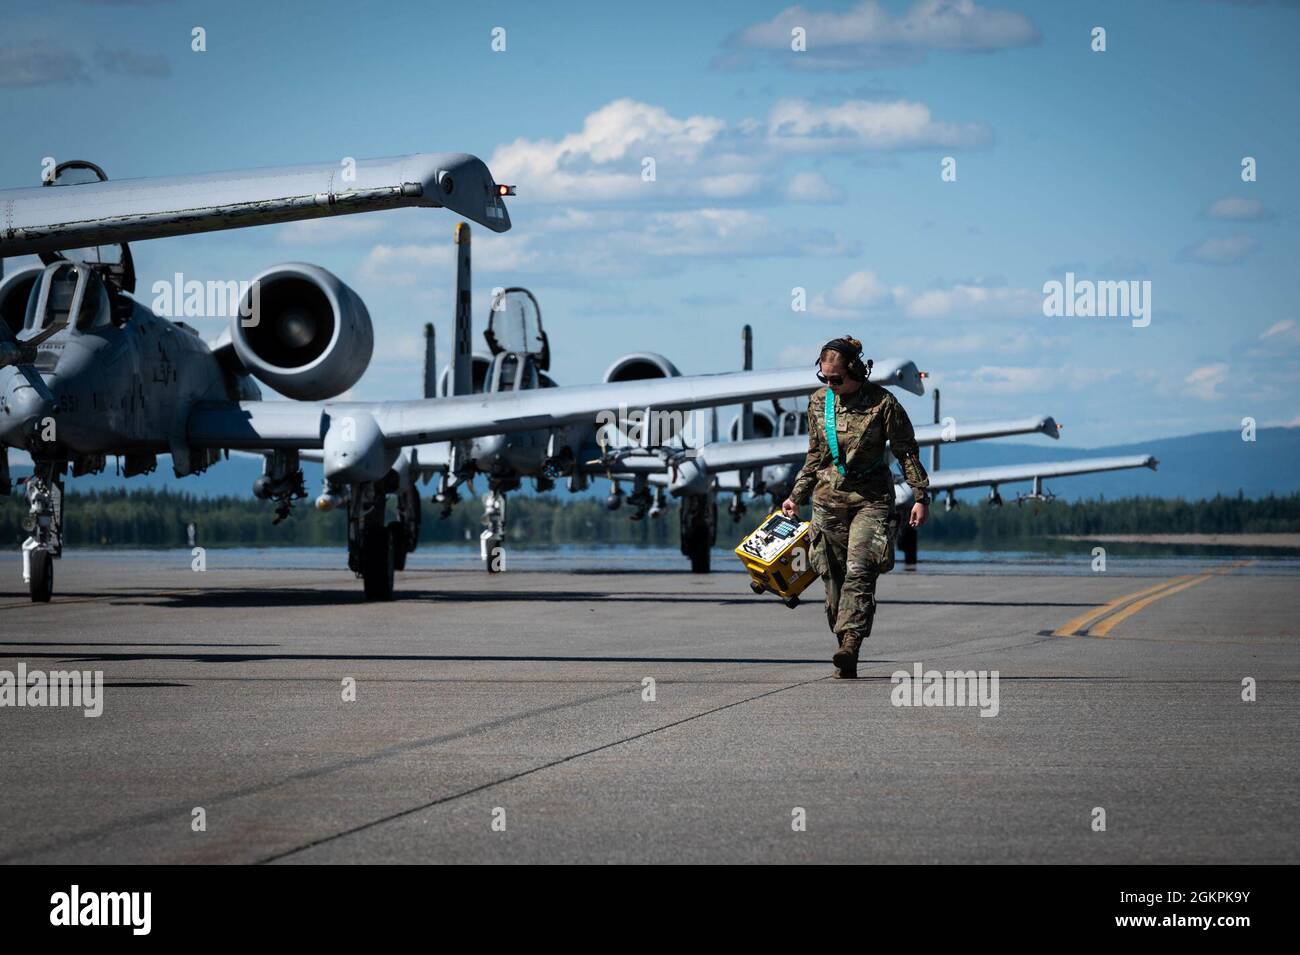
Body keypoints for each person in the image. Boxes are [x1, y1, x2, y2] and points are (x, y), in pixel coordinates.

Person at [781, 337, 930, 678]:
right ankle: (842, 638)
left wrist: (920, 495)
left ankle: (851, 646)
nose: (831, 385)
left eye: (837, 379)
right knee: (832, 577)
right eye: (825, 379)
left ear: (856, 371)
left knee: (860, 570)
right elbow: (815, 455)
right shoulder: (819, 404)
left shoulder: (883, 404)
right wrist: (796, 496)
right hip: (827, 501)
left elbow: (906, 451)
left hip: (871, 500)